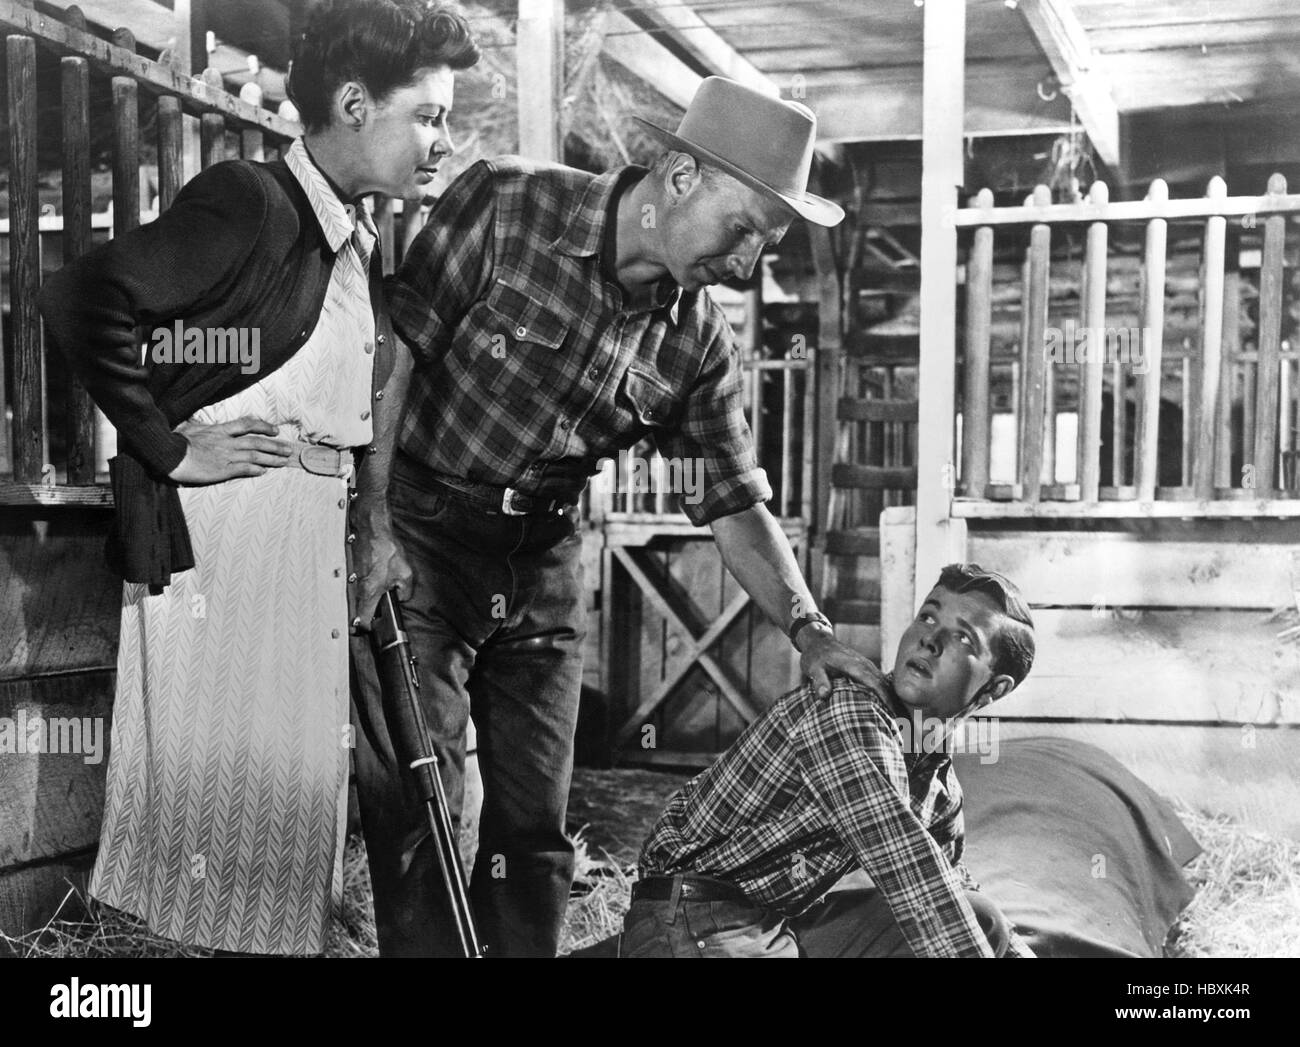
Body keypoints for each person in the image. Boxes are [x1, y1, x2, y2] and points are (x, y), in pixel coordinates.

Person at [352, 76, 884, 958]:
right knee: (421, 808)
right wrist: (369, 521)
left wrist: (810, 628)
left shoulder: (696, 341)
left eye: (768, 245)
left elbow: (733, 500)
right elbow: (392, 352)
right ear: (680, 177)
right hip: (421, 535)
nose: (747, 264)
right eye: (744, 228)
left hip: (545, 558)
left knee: (535, 826)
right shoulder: (507, 206)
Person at [37, 0, 478, 955]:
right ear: (355, 103)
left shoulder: (350, 238)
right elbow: (84, 295)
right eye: (432, 116)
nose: (445, 142)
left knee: (287, 826)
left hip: (301, 546)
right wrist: (169, 447)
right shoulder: (248, 199)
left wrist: (367, 523)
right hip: (227, 549)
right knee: (219, 840)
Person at [614, 563, 1037, 958]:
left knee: (981, 918)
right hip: (690, 916)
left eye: (963, 638)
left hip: (773, 924)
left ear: (993, 689)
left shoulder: (937, 784)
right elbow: (908, 867)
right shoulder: (850, 709)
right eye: (928, 616)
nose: (930, 638)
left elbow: (951, 882)